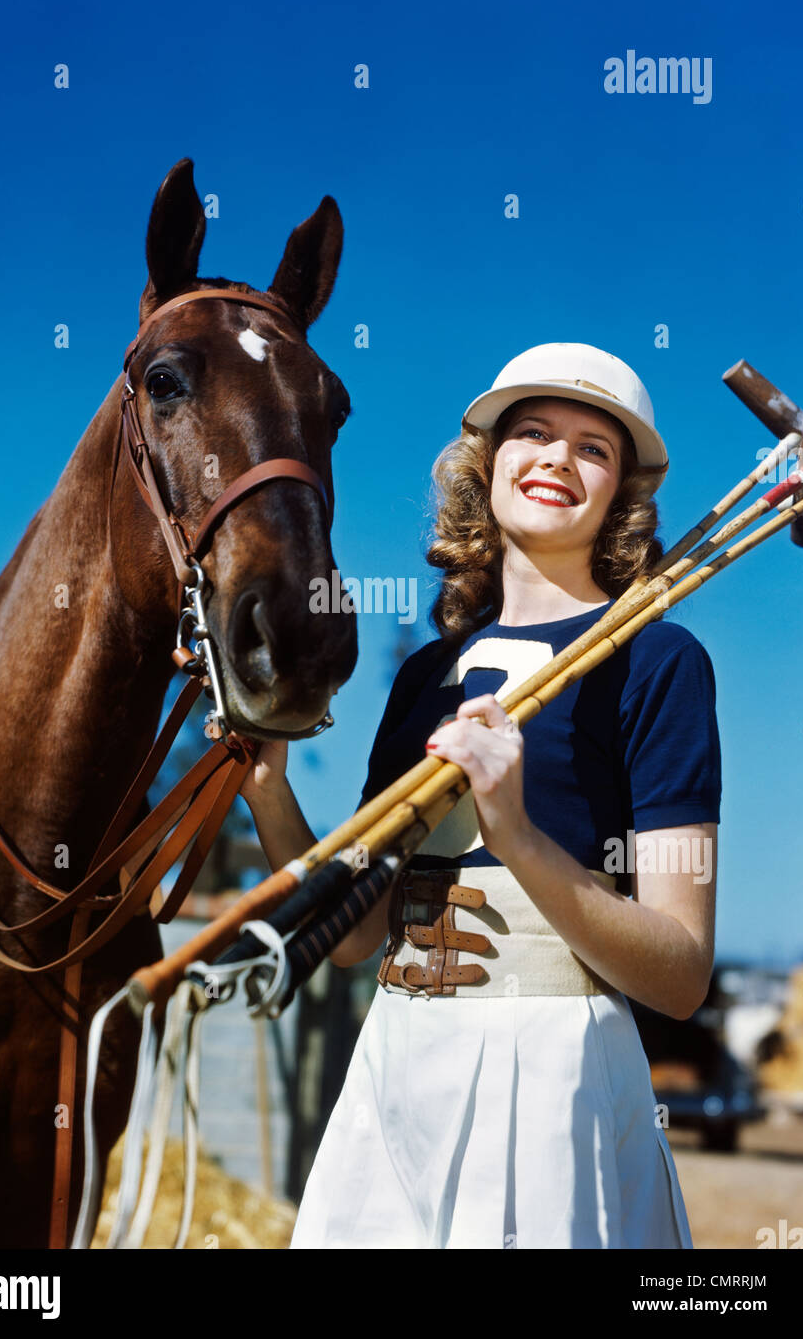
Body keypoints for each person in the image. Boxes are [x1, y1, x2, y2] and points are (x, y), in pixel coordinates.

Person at [241, 342, 721, 1249]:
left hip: (550, 1080)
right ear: (487, 463)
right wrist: (267, 788)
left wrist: (516, 830)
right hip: (395, 1062)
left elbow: (681, 971)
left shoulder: (660, 663)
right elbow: (348, 938)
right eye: (532, 432)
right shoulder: (427, 673)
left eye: (593, 448)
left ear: (620, 492)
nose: (555, 459)